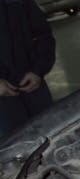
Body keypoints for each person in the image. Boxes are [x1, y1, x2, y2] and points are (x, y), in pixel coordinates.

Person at [0, 0, 56, 138]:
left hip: (33, 86)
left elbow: (43, 34)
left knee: (52, 136)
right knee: (13, 150)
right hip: (3, 103)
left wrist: (38, 70)